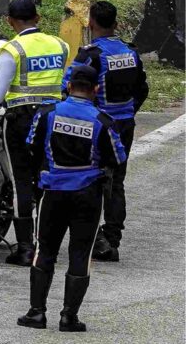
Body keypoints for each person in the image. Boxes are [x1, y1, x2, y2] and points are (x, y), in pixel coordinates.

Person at [17, 64, 125, 332]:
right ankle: (69, 317)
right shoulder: (103, 121)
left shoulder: (48, 113)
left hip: (52, 192)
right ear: (96, 90)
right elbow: (117, 158)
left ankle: (36, 313)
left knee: (45, 250)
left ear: (68, 86)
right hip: (87, 195)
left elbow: (30, 145)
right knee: (80, 253)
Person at [0, 0, 69, 266]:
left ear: (10, 21)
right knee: (47, 177)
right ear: (38, 17)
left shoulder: (12, 49)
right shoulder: (60, 45)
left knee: (21, 181)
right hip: (53, 117)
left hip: (21, 118)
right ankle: (46, 244)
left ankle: (25, 248)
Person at [70, 0, 147, 260]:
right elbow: (142, 89)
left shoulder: (91, 55)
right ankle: (111, 238)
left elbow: (68, 87)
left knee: (90, 180)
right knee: (116, 182)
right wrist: (128, 112)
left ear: (90, 23)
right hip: (124, 124)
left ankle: (91, 238)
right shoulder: (130, 52)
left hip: (99, 126)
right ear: (115, 24)